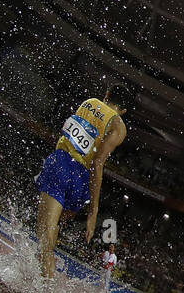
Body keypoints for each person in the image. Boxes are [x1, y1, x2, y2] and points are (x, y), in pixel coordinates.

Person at [35, 85, 129, 279]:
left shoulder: (89, 103)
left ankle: (45, 284)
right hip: (82, 181)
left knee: (45, 233)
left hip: (61, 163)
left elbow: (85, 149)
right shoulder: (119, 126)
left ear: (106, 94)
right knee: (54, 228)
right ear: (124, 110)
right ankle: (46, 272)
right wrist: (93, 210)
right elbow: (97, 163)